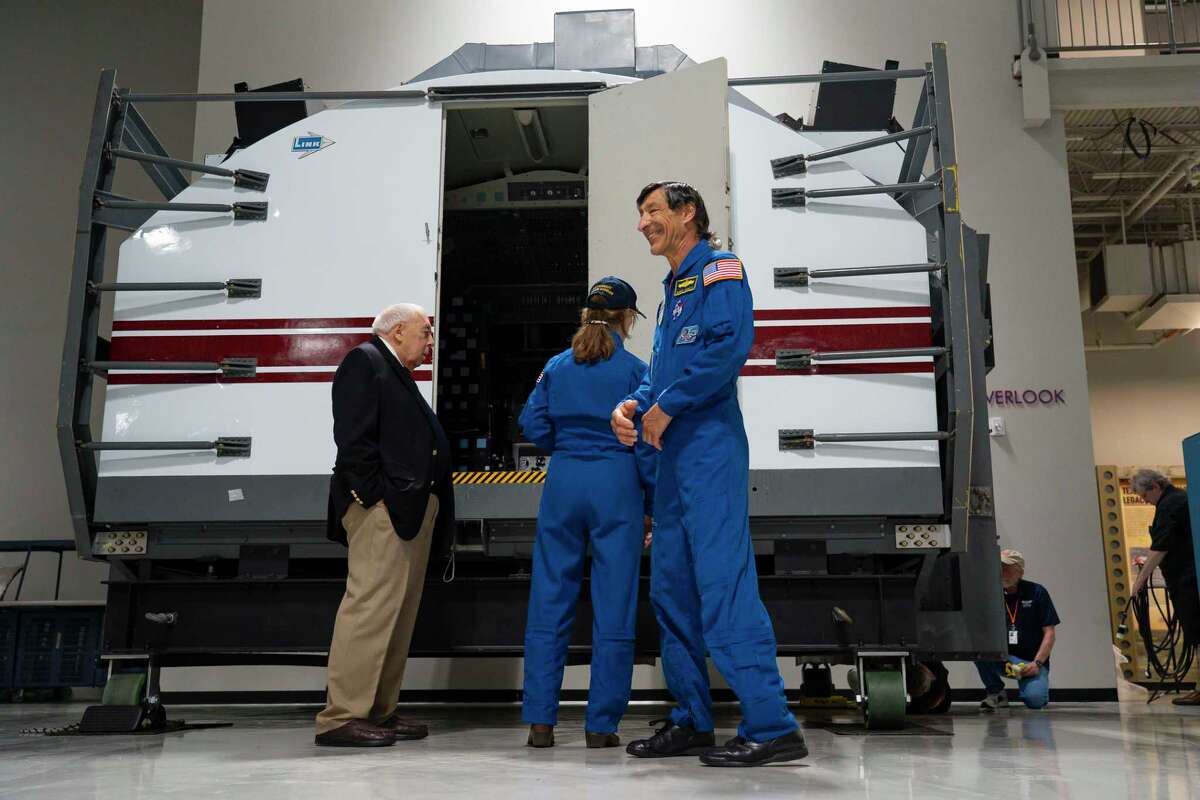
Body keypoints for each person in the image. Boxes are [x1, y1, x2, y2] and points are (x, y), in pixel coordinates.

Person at [610, 181, 806, 767]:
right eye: (639, 213)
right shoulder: (673, 289)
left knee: (723, 587)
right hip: (671, 455)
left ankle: (773, 725)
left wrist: (668, 406)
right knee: (671, 590)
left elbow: (727, 348)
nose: (643, 223)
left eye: (652, 211)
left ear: (686, 212)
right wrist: (634, 405)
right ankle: (692, 718)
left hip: (709, 450)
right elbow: (663, 370)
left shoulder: (720, 269)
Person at [518, 277, 656, 749]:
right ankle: (601, 727)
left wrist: (570, 446)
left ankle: (540, 723)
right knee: (613, 605)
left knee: (549, 600)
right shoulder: (637, 370)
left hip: (563, 484)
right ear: (627, 319)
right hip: (616, 484)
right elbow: (647, 440)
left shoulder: (557, 366)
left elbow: (532, 423)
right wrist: (649, 504)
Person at [315, 304, 453, 747]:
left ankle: (378, 710)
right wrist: (376, 500)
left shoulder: (392, 371)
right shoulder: (365, 362)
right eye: (424, 333)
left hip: (404, 512)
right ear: (396, 332)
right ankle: (341, 716)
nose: (430, 342)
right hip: (385, 513)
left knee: (395, 614)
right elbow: (354, 443)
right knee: (370, 610)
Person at [1129, 469, 1200, 706]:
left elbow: (1161, 547)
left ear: (1154, 487)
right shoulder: (1179, 500)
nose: (1143, 500)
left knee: (1196, 632)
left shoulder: (1169, 505)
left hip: (1187, 580)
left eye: (1143, 495)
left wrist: (1138, 583)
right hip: (1186, 577)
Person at [976, 550, 1058, 711]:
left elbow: (1050, 633)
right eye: (998, 567)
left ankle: (1036, 688)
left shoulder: (1037, 592)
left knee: (1035, 701)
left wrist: (1037, 663)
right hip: (1002, 659)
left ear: (1020, 572)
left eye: (1006, 567)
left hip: (1030, 661)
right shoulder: (991, 594)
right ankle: (996, 693)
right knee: (977, 650)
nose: (1001, 572)